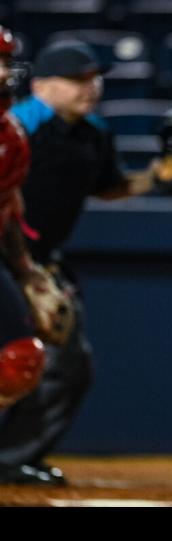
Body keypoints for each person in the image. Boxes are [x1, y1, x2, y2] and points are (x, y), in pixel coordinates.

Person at [0, 41, 172, 485]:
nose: (91, 87)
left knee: (67, 364)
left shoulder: (94, 133)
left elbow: (109, 188)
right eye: (77, 79)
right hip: (13, 254)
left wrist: (159, 177)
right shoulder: (23, 124)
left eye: (94, 78)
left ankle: (11, 458)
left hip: (37, 256)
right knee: (33, 359)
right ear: (43, 85)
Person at [1, 26, 49, 419]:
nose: (2, 72)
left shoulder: (12, 136)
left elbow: (8, 206)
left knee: (22, 360)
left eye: (3, 62)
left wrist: (27, 272)